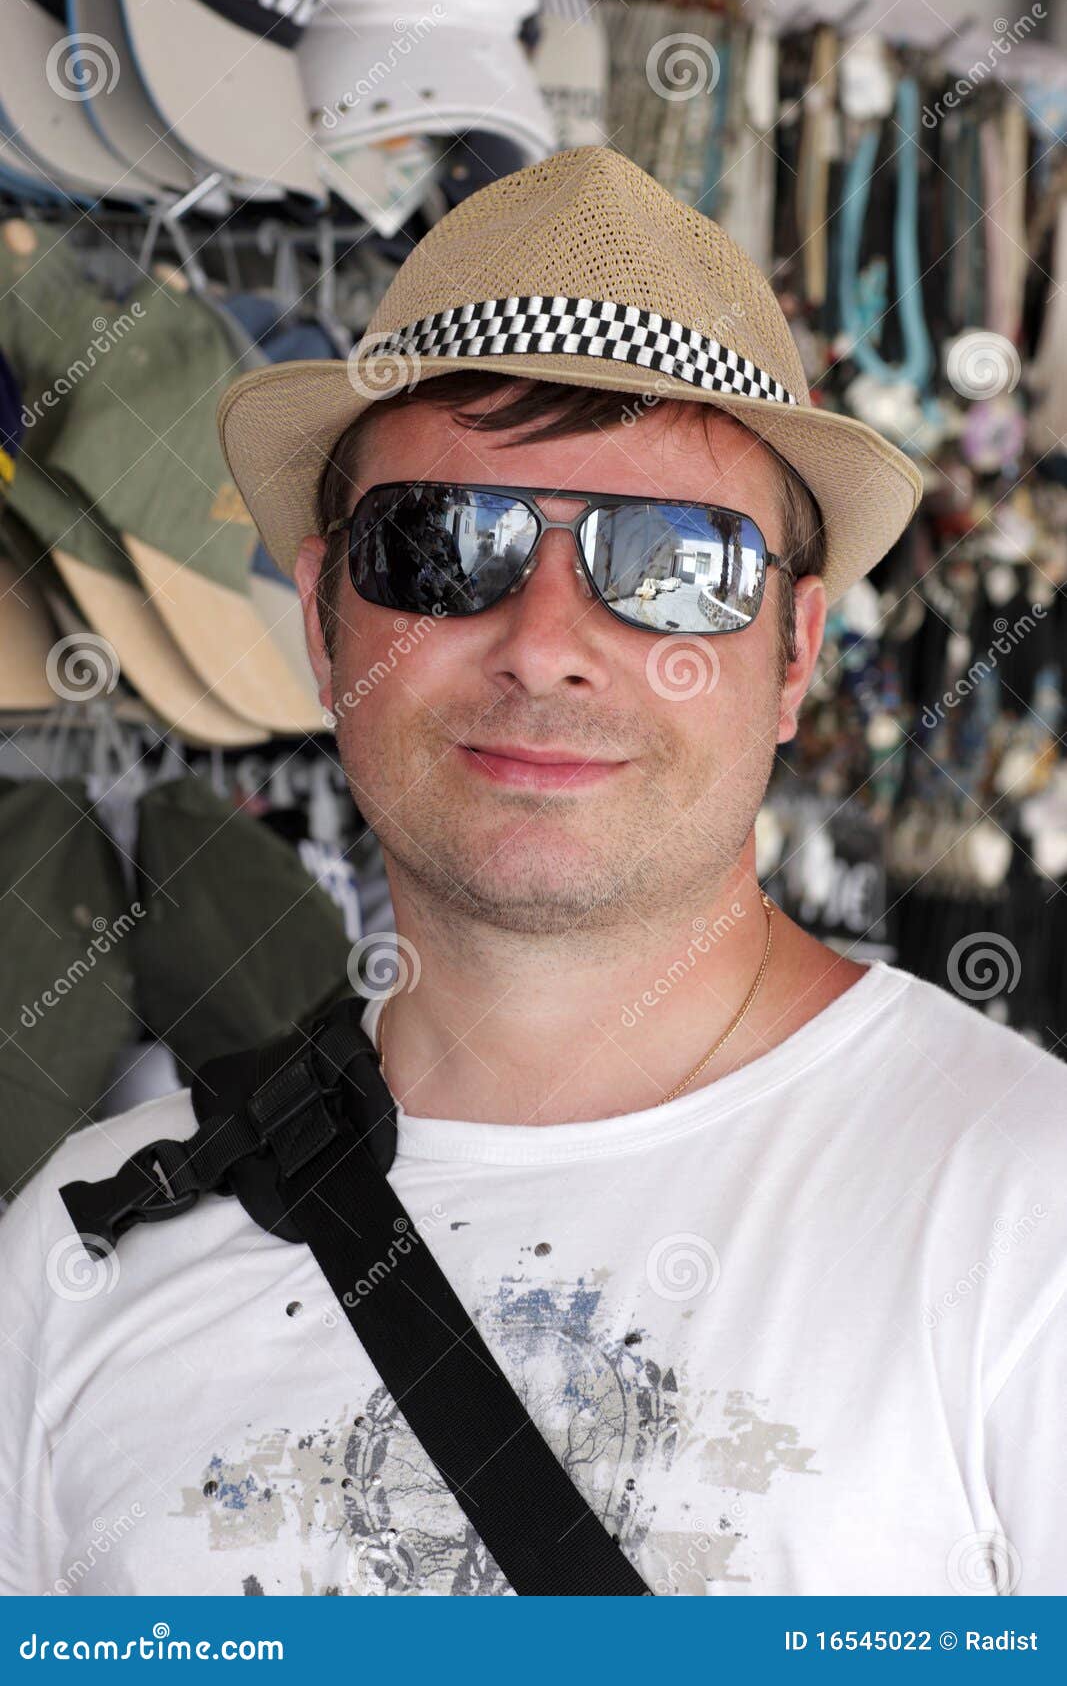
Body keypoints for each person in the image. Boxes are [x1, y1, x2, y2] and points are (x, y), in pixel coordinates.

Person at [2, 147, 1065, 1599]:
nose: (547, 641)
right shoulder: (90, 1250)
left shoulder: (1021, 1218)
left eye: (677, 561)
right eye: (441, 545)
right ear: (322, 622)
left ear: (794, 656)